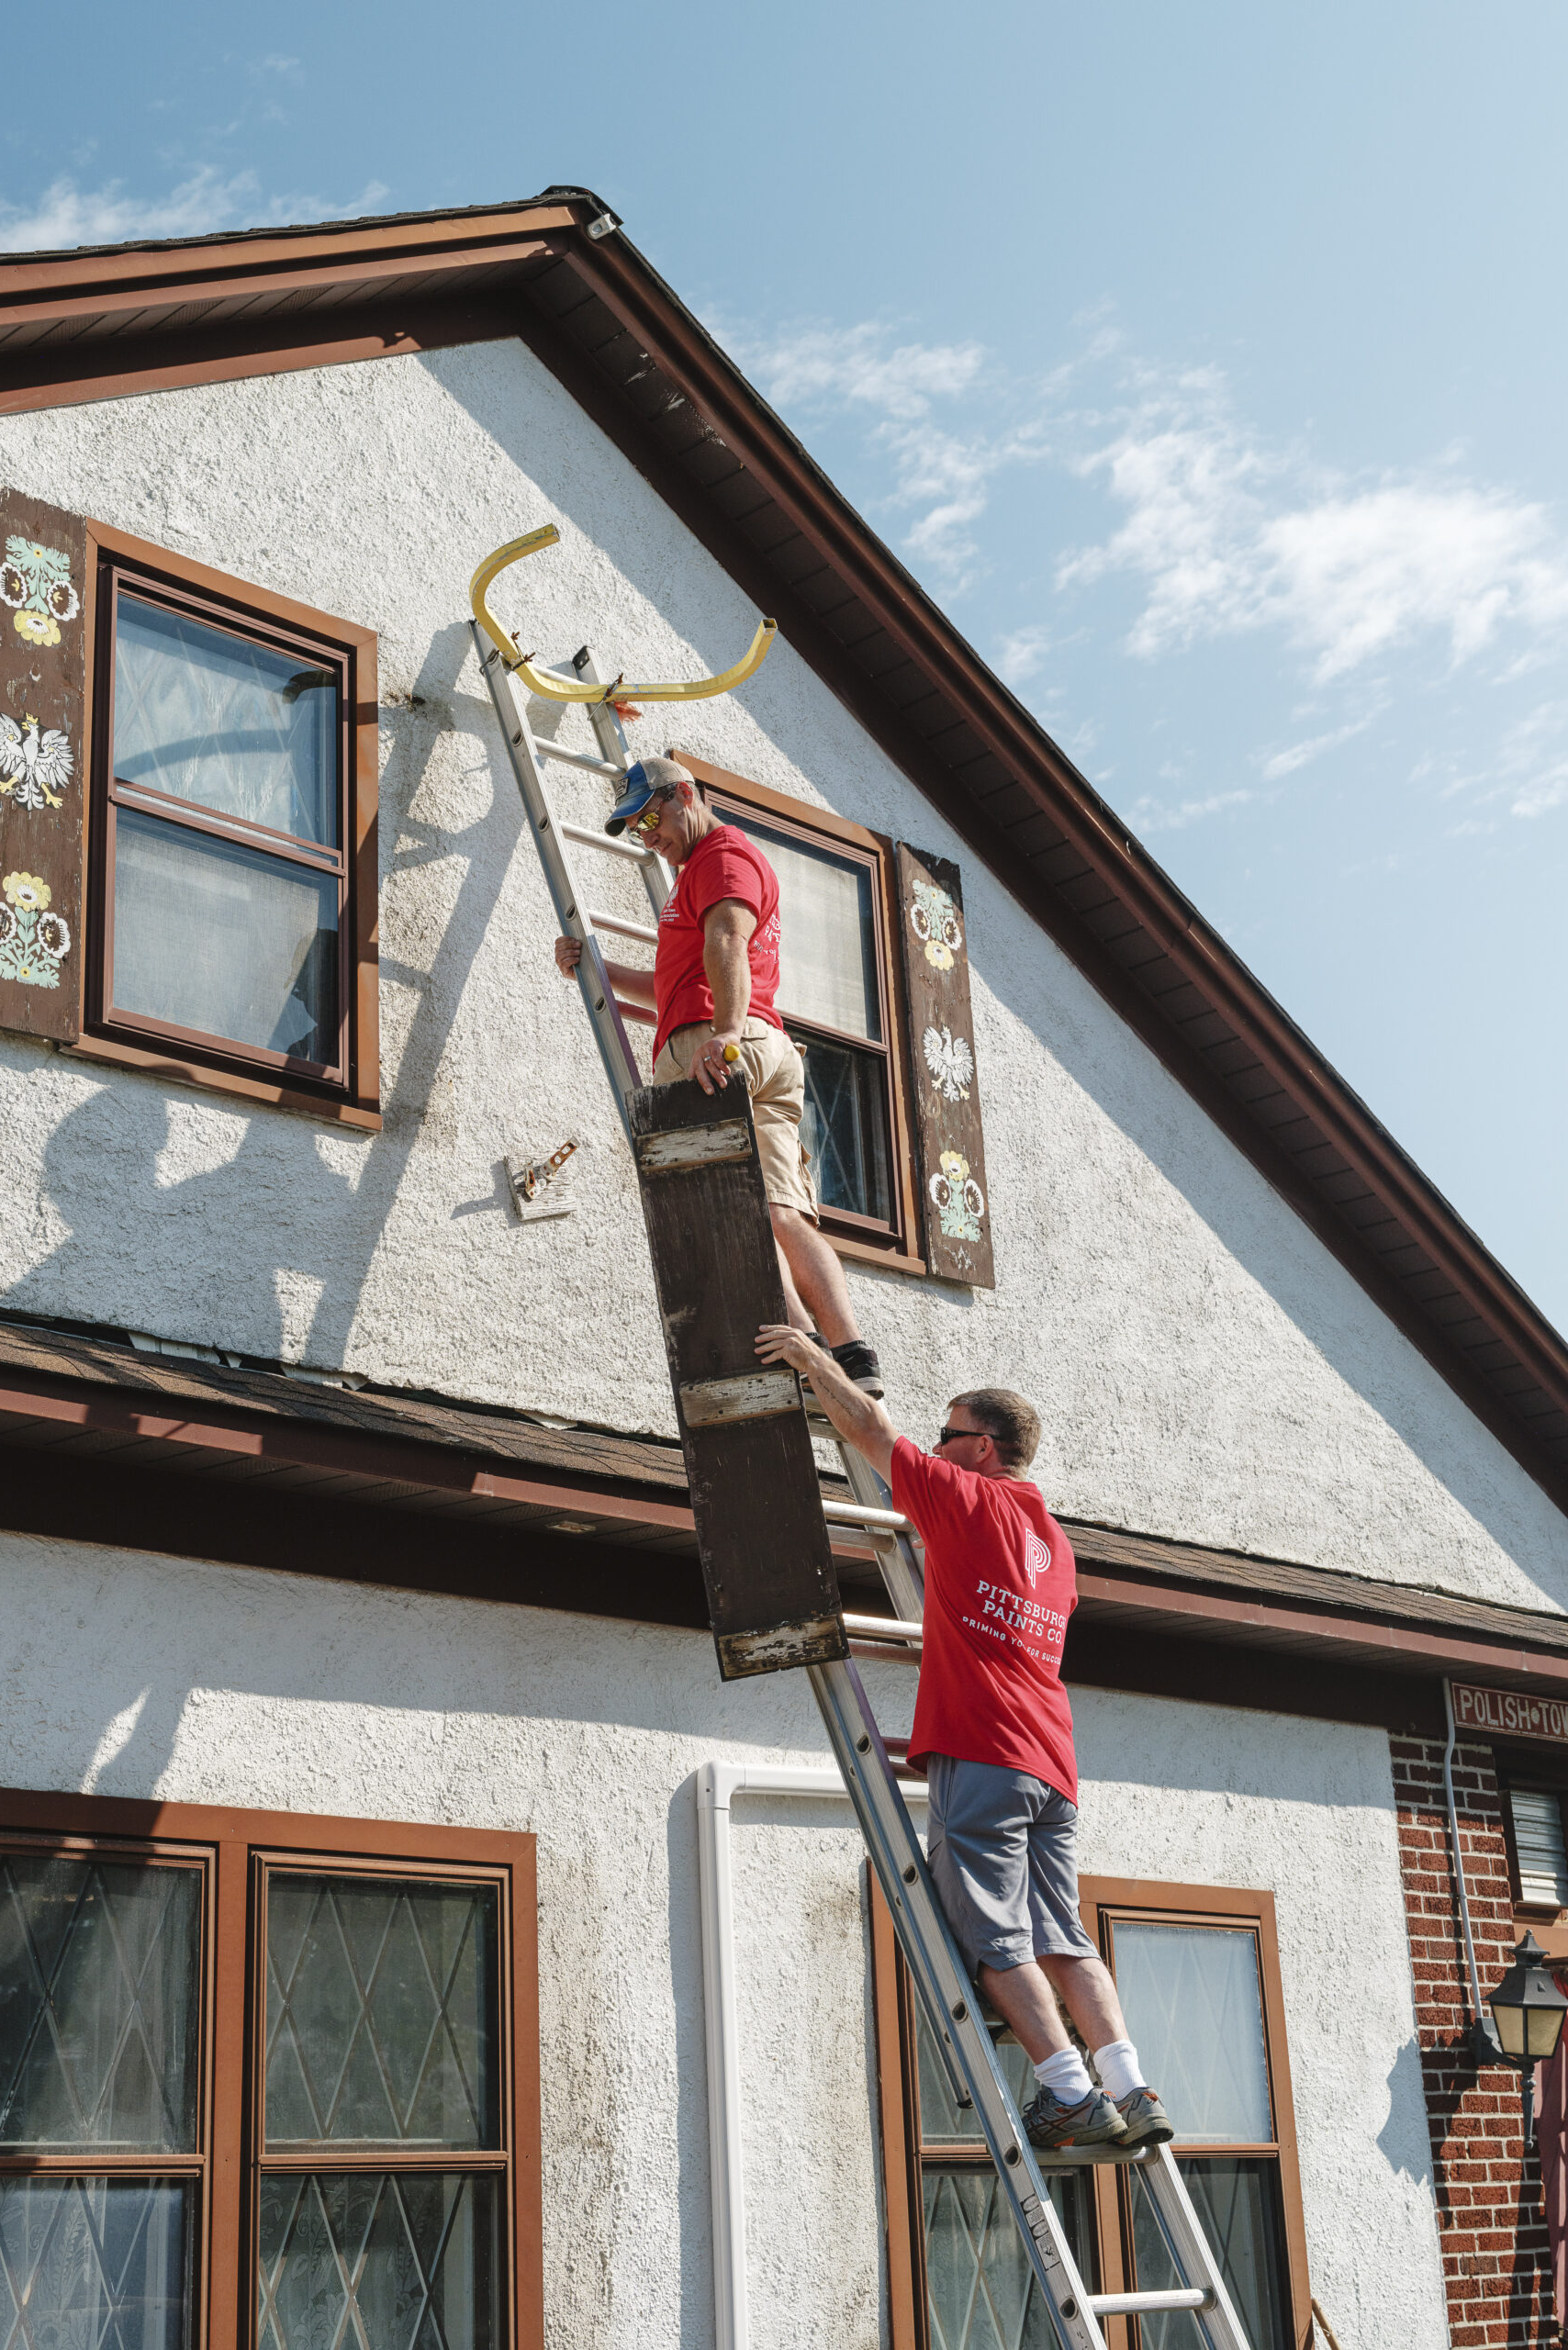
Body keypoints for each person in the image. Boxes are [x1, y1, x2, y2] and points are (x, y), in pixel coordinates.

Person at [752, 1325, 1173, 2153]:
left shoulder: (967, 1499)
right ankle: (1132, 2086)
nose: (936, 1446)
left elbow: (873, 1437)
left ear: (982, 1448)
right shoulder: (1052, 1543)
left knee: (994, 1940)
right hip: (1052, 1759)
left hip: (985, 1749)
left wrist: (814, 1362)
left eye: (948, 1433)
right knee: (1064, 1936)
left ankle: (1068, 2091)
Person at [556, 755, 882, 1393]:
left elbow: (729, 942)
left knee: (727, 1214)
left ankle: (809, 1361)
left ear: (687, 795)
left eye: (652, 816)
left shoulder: (720, 859)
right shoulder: (705, 870)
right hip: (759, 1045)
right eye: (635, 826)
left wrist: (726, 1035)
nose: (648, 835)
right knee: (783, 1214)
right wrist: (593, 968)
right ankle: (853, 1359)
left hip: (722, 1044)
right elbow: (673, 988)